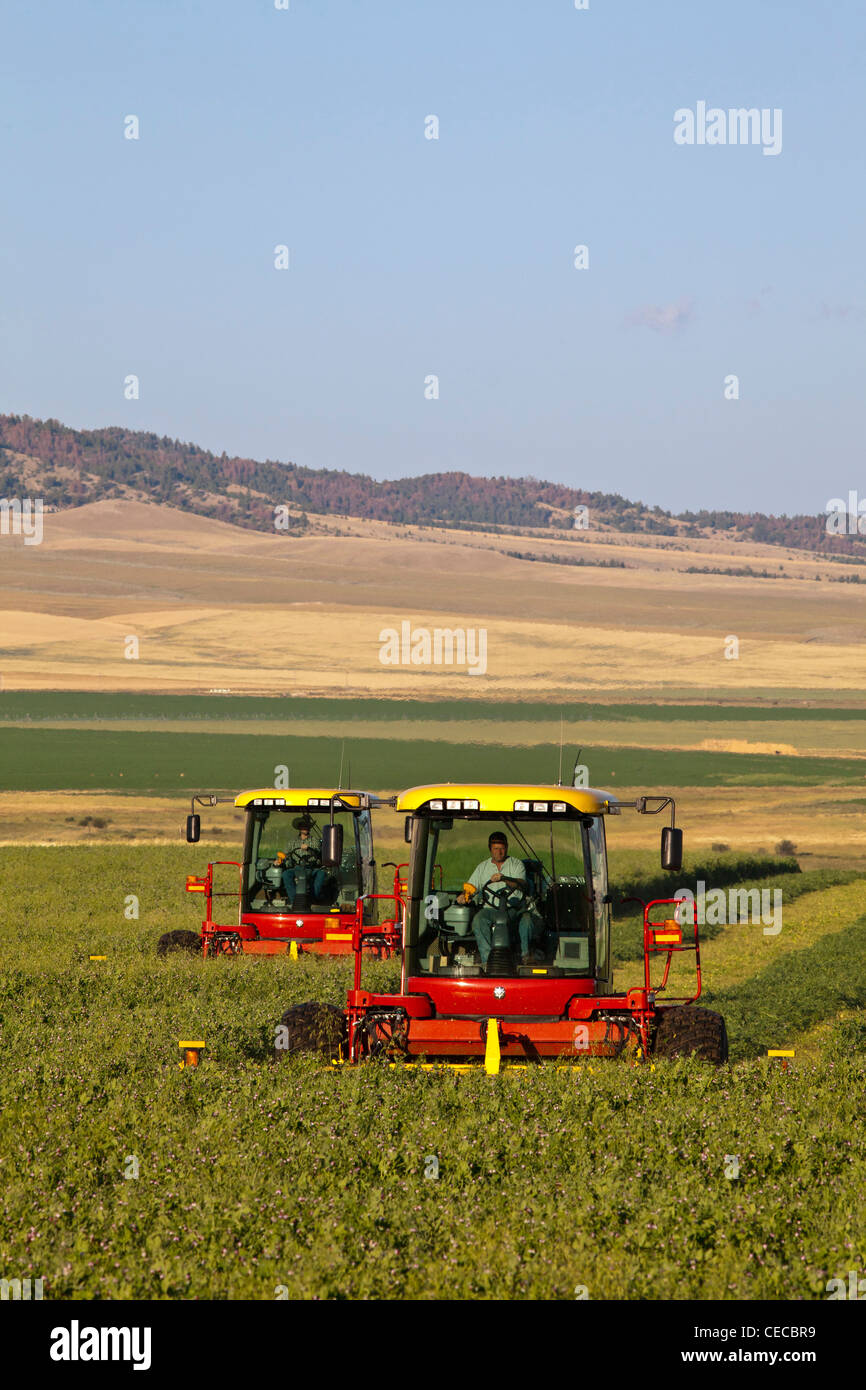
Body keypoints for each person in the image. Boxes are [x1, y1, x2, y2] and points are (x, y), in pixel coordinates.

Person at [458, 831, 539, 969]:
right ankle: (488, 960)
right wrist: (464, 896)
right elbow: (472, 887)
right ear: (490, 849)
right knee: (478, 920)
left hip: (513, 909)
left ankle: (526, 957)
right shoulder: (482, 867)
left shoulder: (516, 864)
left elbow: (522, 884)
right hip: (491, 909)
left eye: (502, 848)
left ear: (507, 848)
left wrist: (504, 879)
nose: (499, 852)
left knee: (526, 920)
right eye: (496, 848)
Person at [277, 815, 329, 905]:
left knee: (321, 874)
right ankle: (294, 901)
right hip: (297, 868)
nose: (305, 828)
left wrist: (309, 849)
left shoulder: (315, 841)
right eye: (303, 826)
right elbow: (285, 854)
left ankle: (313, 899)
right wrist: (278, 860)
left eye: (307, 826)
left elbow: (318, 851)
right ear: (300, 828)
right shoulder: (292, 842)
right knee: (286, 874)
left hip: (312, 868)